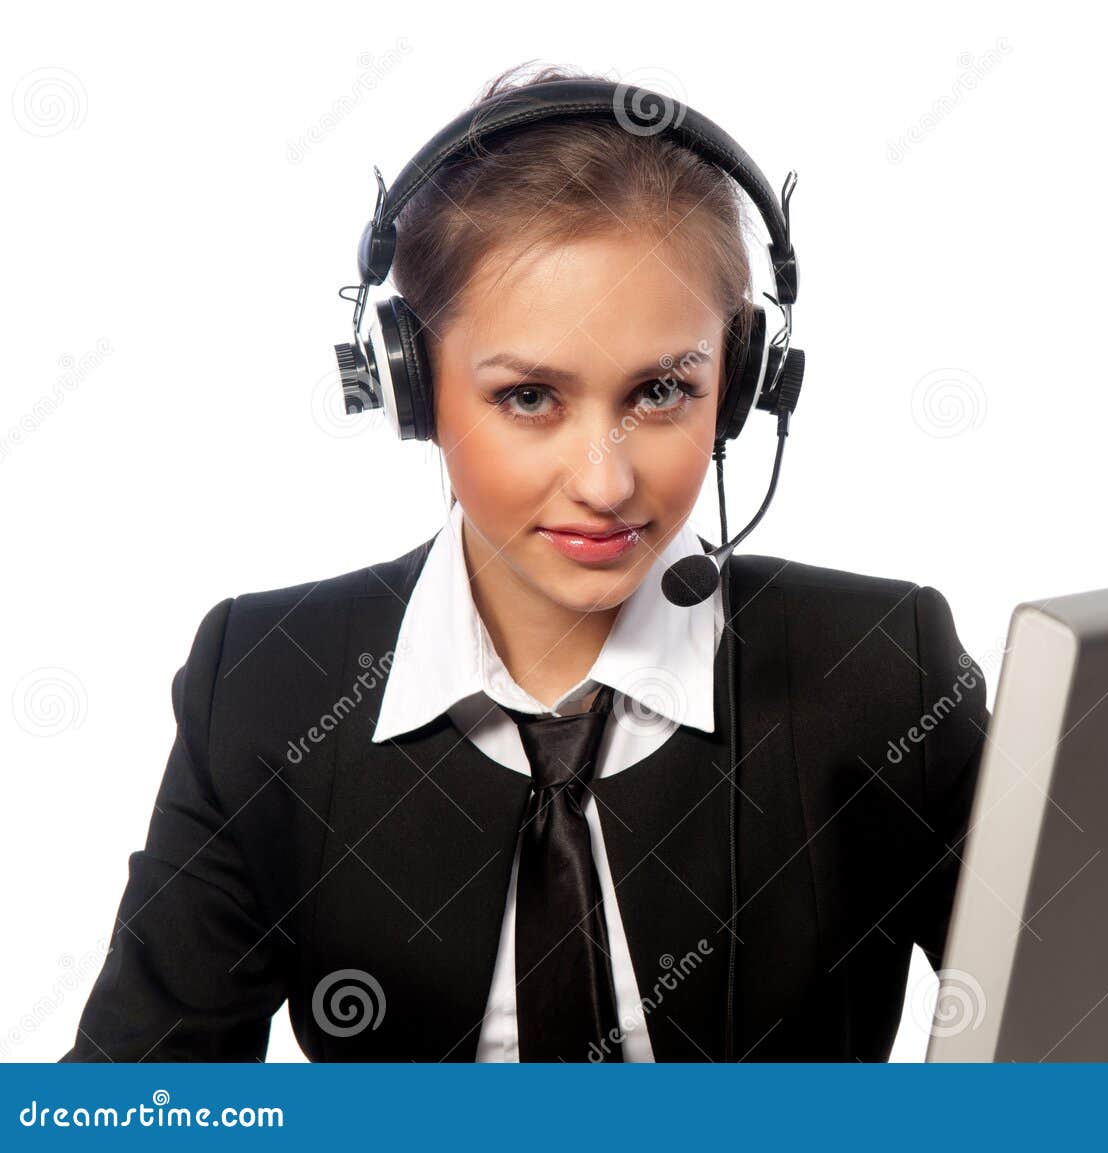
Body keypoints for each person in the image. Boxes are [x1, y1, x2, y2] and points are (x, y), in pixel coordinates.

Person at [61, 61, 989, 1063]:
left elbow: (1093, 1037)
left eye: (661, 391)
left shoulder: (885, 673)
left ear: (739, 384)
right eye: (530, 397)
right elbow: (129, 1104)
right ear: (412, 391)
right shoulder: (264, 686)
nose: (604, 482)